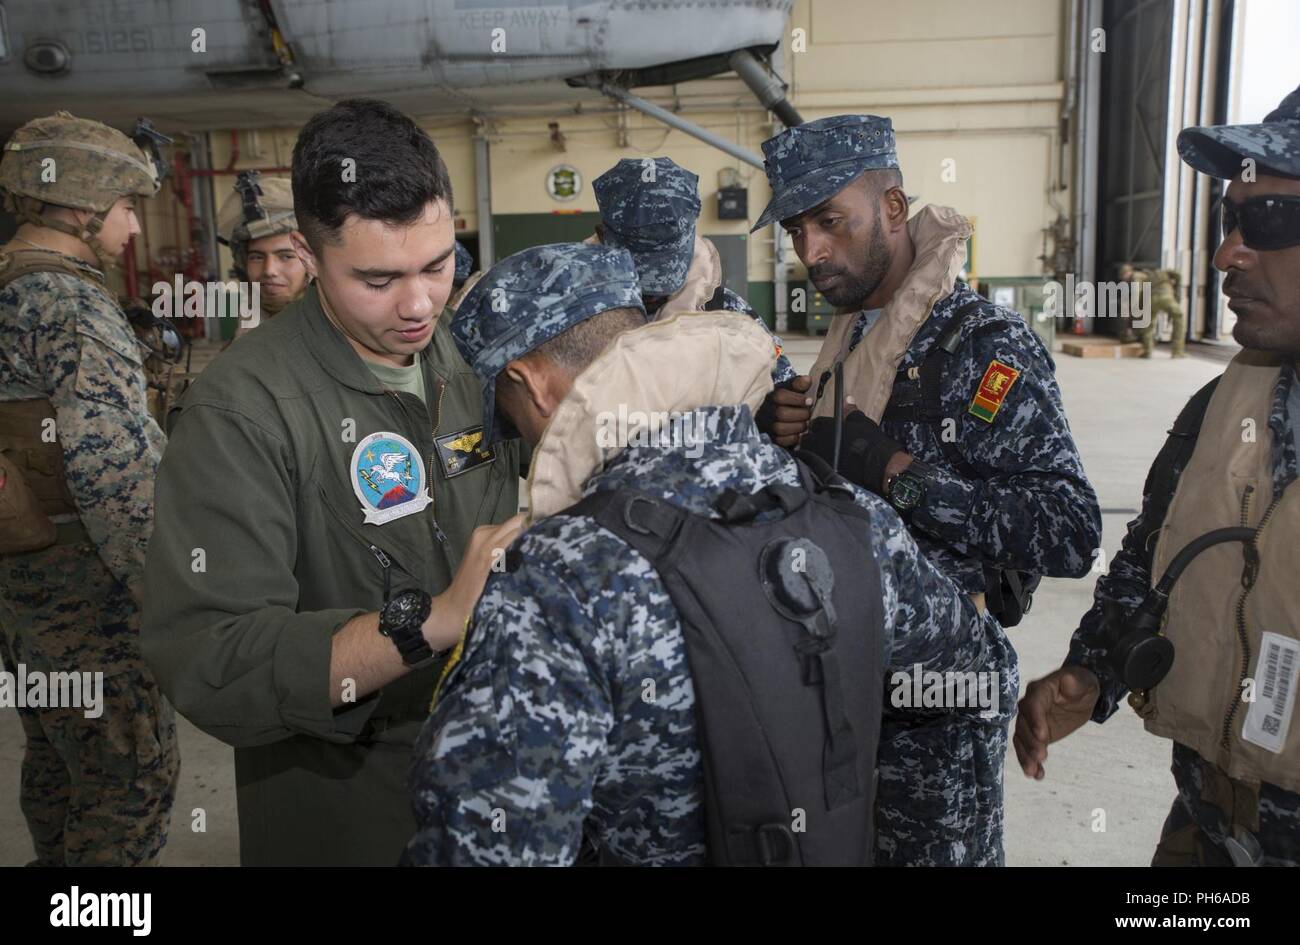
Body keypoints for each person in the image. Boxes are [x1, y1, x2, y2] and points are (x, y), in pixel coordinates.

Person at [402, 242, 996, 866]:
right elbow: (976, 684)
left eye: (510, 414)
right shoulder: (851, 514)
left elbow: (485, 847)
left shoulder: (559, 582)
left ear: (531, 384)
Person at [140, 99, 523, 866]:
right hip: (347, 803)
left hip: (495, 776)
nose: (419, 304)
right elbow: (212, 659)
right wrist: (427, 623)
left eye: (440, 263)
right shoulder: (241, 411)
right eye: (378, 278)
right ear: (308, 258)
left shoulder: (466, 352)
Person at [753, 114, 1102, 865]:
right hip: (837, 682)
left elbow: (1068, 530)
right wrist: (779, 437)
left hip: (936, 701)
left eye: (828, 222)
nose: (809, 251)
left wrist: (891, 471)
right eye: (794, 231)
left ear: (891, 209)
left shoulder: (982, 344)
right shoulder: (852, 336)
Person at [1016, 84, 1300, 866]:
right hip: (1210, 829)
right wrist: (1093, 670)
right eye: (1228, 220)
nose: (1226, 255)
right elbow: (1153, 555)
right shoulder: (1225, 404)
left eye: (1268, 222)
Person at [0, 110, 179, 865]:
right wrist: (162, 590)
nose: (136, 226)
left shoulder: (9, 282)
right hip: (86, 584)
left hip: (24, 581)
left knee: (58, 763)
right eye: (128, 205)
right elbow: (110, 470)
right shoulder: (69, 305)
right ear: (83, 206)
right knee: (128, 776)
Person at [591, 157, 796, 385]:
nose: (651, 292)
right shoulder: (566, 313)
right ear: (601, 235)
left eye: (663, 268)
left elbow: (782, 381)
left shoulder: (722, 310)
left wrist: (768, 402)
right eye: (638, 268)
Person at [216, 170, 309, 331]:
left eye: (286, 256)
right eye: (257, 257)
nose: (269, 270)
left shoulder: (342, 328)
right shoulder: (250, 322)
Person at [1121, 262, 1186, 358]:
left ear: (1128, 272)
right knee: (1179, 319)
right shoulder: (1163, 273)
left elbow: (1137, 291)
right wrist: (1177, 292)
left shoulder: (1136, 276)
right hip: (1166, 297)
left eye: (1124, 276)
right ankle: (1177, 352)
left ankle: (1148, 352)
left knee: (1148, 326)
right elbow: (1178, 275)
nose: (1125, 279)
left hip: (1152, 299)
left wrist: (1134, 309)